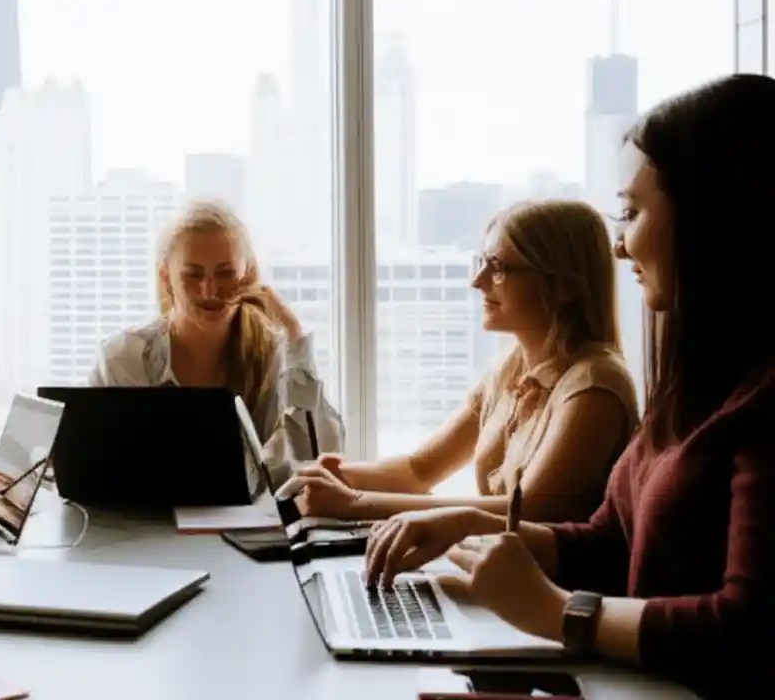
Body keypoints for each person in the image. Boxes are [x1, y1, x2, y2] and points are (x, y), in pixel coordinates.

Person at [362, 74, 775, 698]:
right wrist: (470, 526)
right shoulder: (697, 389)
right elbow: (611, 539)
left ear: (715, 219)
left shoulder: (765, 403)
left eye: (632, 213)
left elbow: (747, 630)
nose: (618, 243)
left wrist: (559, 612)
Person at [294, 200, 638, 523]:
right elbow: (420, 469)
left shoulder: (595, 385)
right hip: (498, 573)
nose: (478, 281)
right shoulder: (510, 371)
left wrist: (355, 504)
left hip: (544, 585)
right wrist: (341, 477)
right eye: (482, 263)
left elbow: (528, 513)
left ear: (564, 285)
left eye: (499, 268)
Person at [90, 198, 344, 477]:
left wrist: (294, 334)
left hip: (251, 519)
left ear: (246, 274)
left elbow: (319, 458)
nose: (210, 291)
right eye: (192, 275)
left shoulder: (273, 355)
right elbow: (94, 464)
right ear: (166, 277)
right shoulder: (124, 358)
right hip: (147, 518)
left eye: (225, 273)